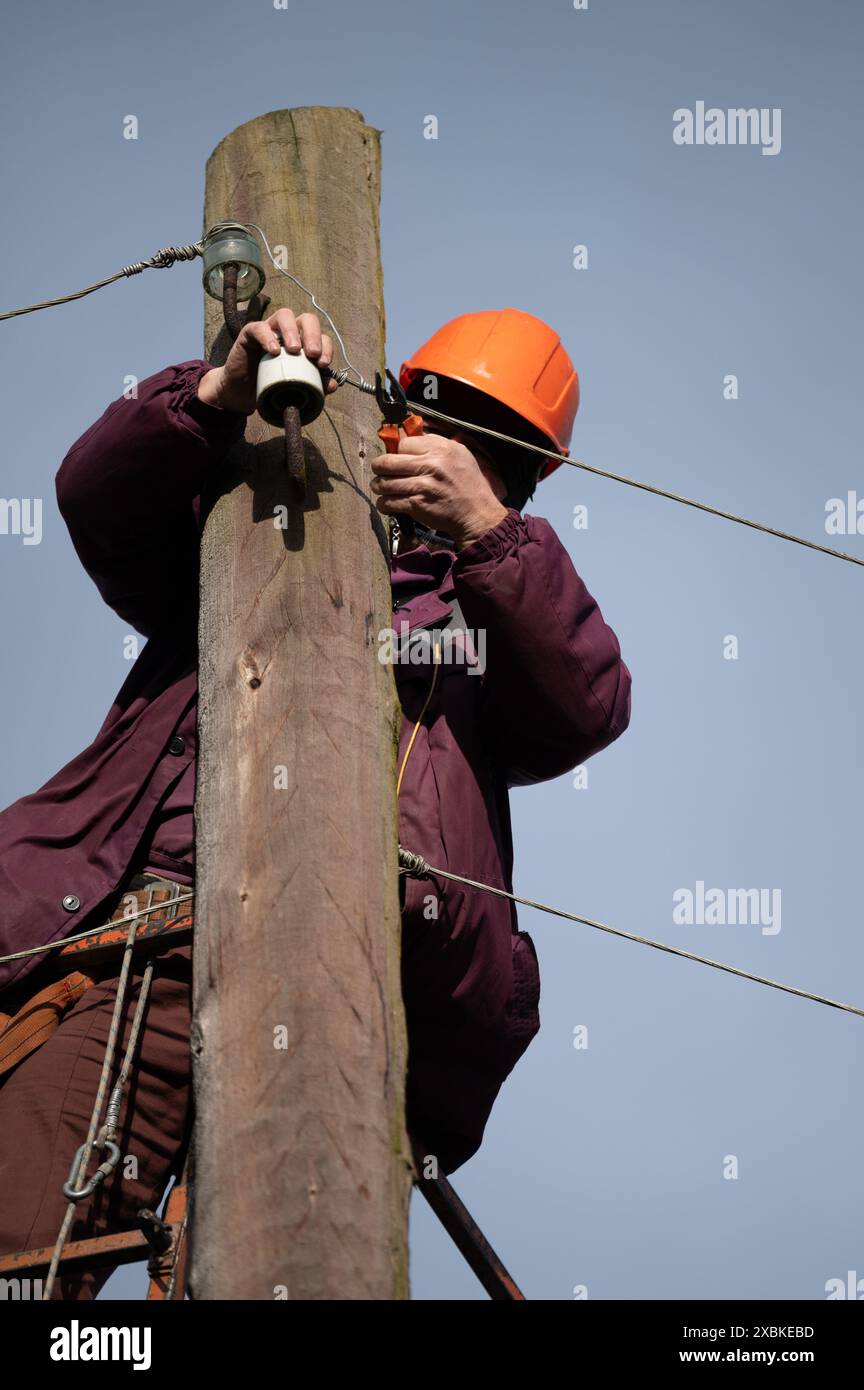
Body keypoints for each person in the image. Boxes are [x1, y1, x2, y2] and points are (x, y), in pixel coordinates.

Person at [0, 305, 631, 1299]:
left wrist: (493, 538)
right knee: (24, 1273)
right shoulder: (248, 528)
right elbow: (98, 500)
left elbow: (588, 703)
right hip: (139, 958)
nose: (450, 450)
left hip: (359, 1003)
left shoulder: (484, 629)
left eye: (490, 444)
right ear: (392, 415)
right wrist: (217, 396)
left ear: (523, 475)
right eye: (437, 414)